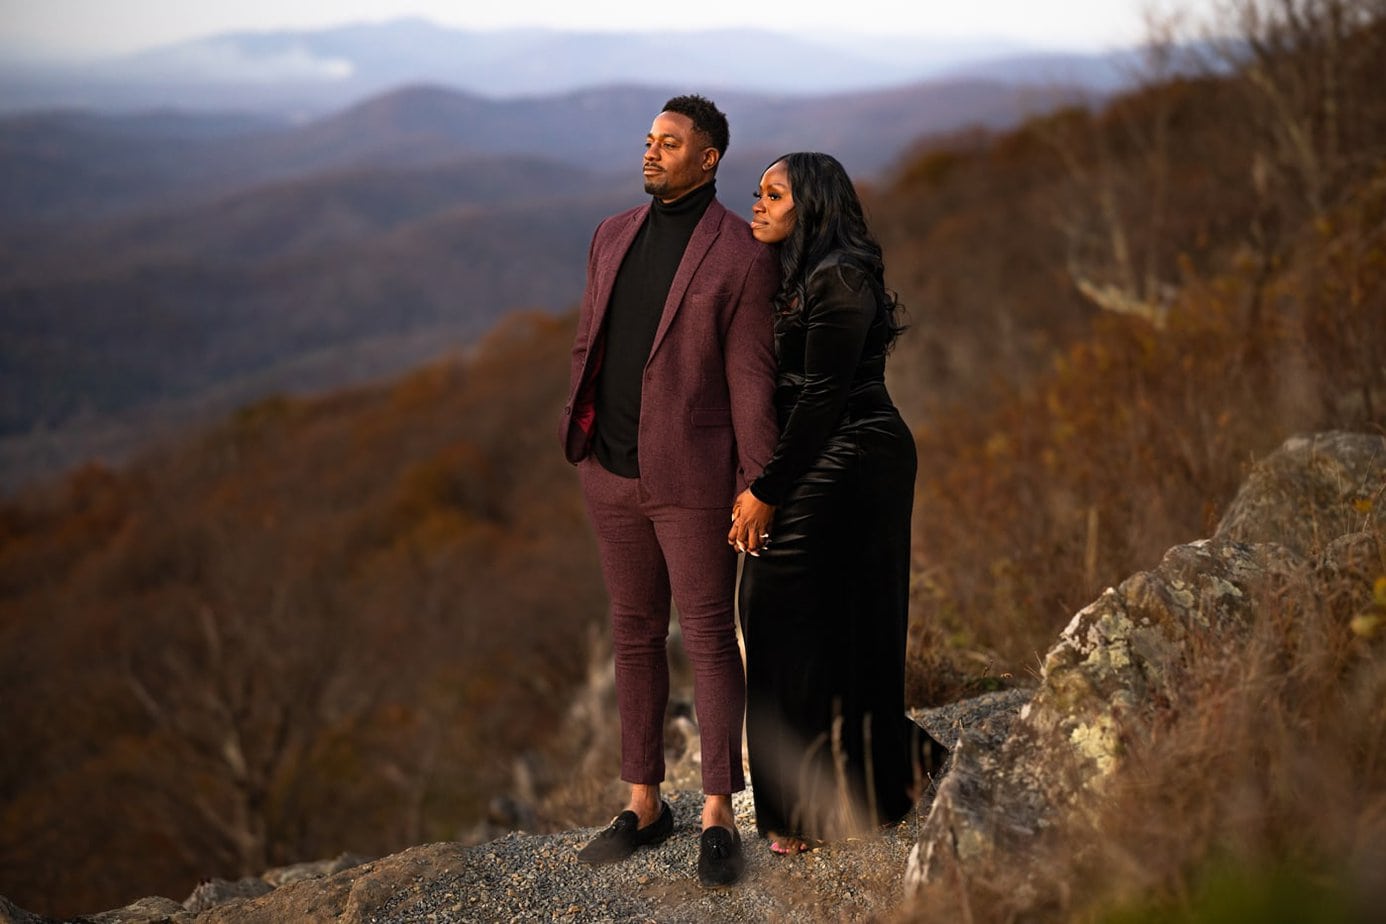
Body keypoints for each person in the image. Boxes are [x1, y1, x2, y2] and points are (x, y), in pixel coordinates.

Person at [559, 94, 779, 887]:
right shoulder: (611, 234)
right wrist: (579, 438)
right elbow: (591, 341)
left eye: (671, 142)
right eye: (649, 139)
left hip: (692, 479)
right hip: (609, 472)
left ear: (709, 157)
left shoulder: (743, 256)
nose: (652, 152)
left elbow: (752, 381)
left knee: (711, 636)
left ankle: (717, 809)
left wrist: (760, 485)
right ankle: (645, 803)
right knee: (633, 634)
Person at [727, 152, 943, 854]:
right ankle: (876, 777)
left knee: (784, 609)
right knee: (817, 619)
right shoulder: (803, 272)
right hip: (834, 453)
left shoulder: (841, 276)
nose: (757, 204)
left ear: (812, 205)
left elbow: (823, 397)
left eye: (774, 195)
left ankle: (808, 808)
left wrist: (764, 491)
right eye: (757, 193)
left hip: (857, 452)